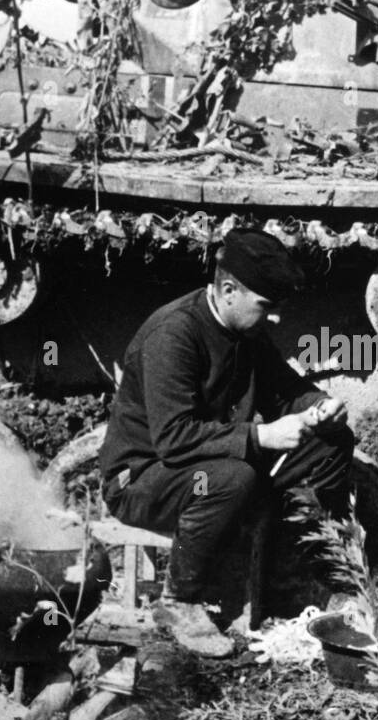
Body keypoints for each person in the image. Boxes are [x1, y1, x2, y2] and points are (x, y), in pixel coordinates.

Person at [98, 229, 354, 656]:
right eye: (267, 307)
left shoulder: (246, 333)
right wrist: (262, 435)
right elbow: (174, 438)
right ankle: (179, 601)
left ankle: (296, 564)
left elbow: (287, 391)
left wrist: (321, 406)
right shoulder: (174, 334)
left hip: (204, 469)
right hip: (142, 480)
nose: (276, 319)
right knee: (230, 477)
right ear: (229, 290)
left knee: (331, 442)